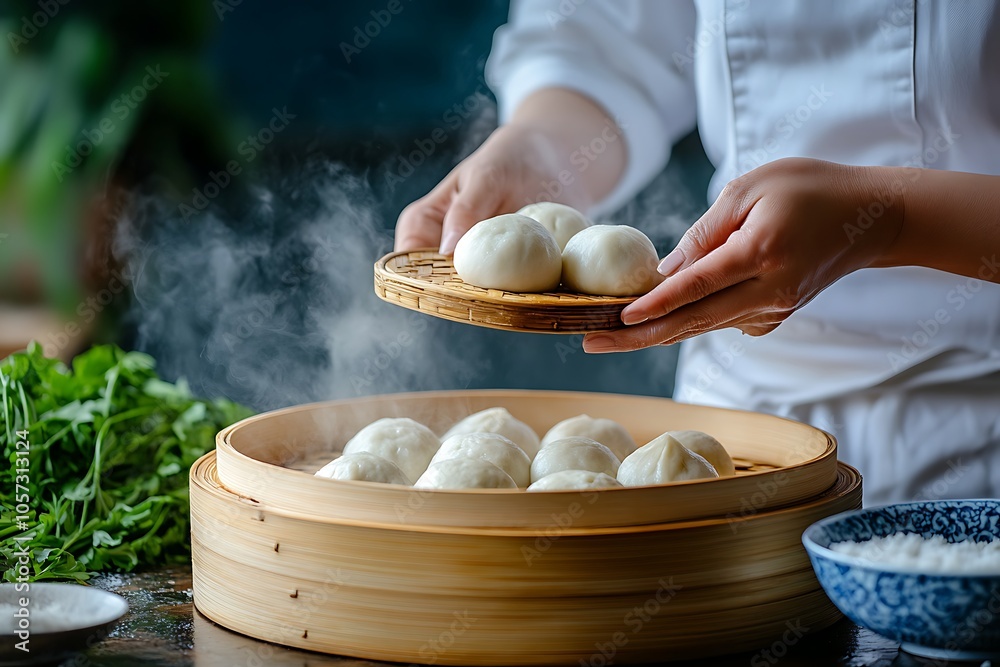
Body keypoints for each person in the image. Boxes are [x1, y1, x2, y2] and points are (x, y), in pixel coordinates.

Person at [394, 0, 1000, 504]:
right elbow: (606, 42)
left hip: (983, 426)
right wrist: (541, 153)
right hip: (737, 435)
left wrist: (893, 219)